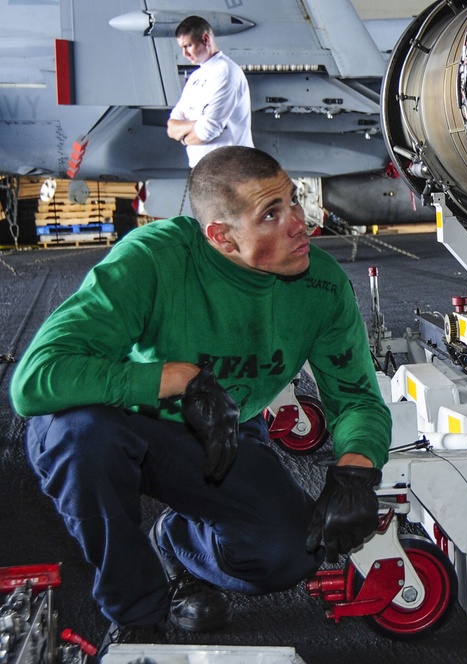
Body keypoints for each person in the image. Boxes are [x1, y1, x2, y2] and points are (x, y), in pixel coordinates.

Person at [9, 146, 391, 651]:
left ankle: (179, 545)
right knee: (79, 437)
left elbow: (357, 397)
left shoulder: (320, 285)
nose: (299, 223)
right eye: (271, 215)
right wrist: (174, 379)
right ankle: (138, 613)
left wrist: (356, 470)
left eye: (294, 201)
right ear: (221, 237)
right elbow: (33, 379)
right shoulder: (152, 257)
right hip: (121, 422)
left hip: (225, 433)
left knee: (288, 552)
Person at [167, 16, 254, 167]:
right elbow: (172, 126)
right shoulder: (196, 77)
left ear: (206, 39)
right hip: (206, 171)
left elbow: (208, 130)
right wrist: (198, 124)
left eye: (188, 46)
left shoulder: (226, 73)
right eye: (182, 47)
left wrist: (184, 139)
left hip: (231, 170)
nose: (184, 54)